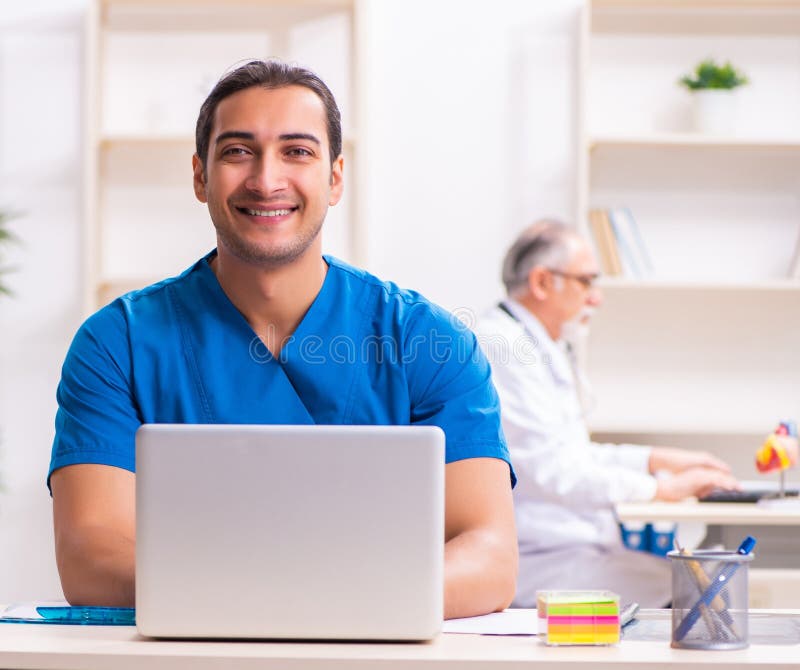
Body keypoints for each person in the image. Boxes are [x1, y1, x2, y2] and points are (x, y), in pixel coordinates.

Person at [48, 60, 518, 618]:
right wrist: (315, 594)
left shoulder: (428, 343)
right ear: (200, 176)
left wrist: (296, 598)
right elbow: (91, 557)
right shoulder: (117, 345)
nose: (266, 179)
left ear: (335, 177)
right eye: (237, 151)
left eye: (297, 151)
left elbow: (488, 557)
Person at [473, 219, 740, 608]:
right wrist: (660, 488)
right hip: (537, 556)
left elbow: (571, 454)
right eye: (587, 281)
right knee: (704, 587)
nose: (596, 297)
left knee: (705, 577)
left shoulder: (534, 343)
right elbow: (552, 469)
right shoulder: (502, 346)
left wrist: (658, 460)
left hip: (565, 545)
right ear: (543, 282)